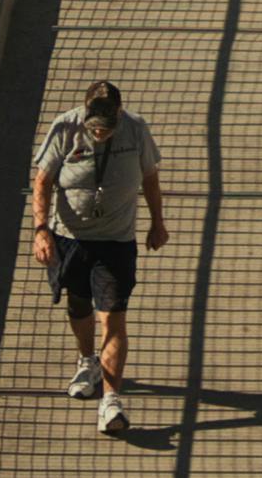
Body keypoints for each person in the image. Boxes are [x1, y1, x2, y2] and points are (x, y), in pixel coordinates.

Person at [31, 75, 166, 437]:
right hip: (70, 239)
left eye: (106, 128)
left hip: (116, 241)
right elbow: (42, 181)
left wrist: (157, 223)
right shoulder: (65, 128)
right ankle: (87, 360)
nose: (100, 133)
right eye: (94, 127)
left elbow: (150, 178)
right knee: (78, 305)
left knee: (114, 317)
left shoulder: (136, 130)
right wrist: (41, 230)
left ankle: (111, 400)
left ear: (119, 114)